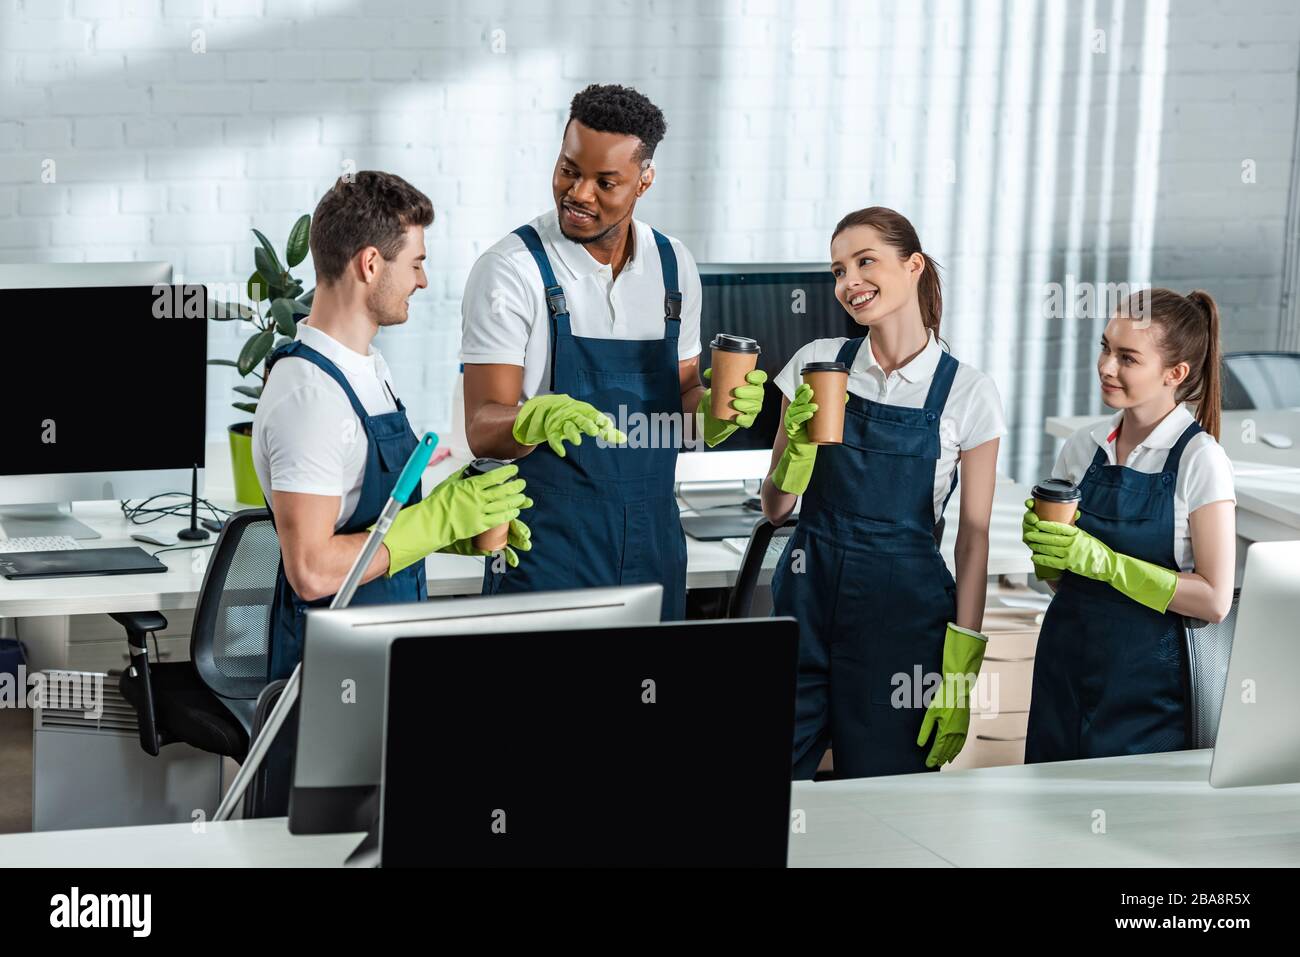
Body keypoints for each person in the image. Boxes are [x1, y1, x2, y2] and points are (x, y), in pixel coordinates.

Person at [459, 84, 765, 621]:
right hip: (546, 547)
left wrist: (718, 414)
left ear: (644, 180)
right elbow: (483, 426)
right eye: (567, 170)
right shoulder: (511, 269)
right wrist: (538, 419)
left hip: (654, 546)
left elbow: (684, 401)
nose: (578, 193)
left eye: (605, 182)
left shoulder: (673, 267)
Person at [254, 171, 532, 683]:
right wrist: (434, 523)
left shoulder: (368, 369)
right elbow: (312, 570)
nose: (422, 281)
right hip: (330, 673)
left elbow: (371, 522)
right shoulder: (310, 396)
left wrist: (449, 530)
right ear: (371, 263)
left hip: (382, 647)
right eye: (417, 263)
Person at [762, 207, 1005, 779]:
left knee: (889, 802)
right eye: (838, 270)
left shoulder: (968, 393)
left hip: (901, 625)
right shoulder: (817, 366)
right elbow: (775, 508)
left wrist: (961, 669)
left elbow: (972, 538)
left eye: (864, 261)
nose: (849, 282)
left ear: (913, 264)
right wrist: (796, 450)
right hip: (805, 605)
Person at [1023, 288, 1236, 762]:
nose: (1106, 366)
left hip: (1146, 686)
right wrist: (1048, 553)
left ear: (1174, 373)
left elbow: (1215, 599)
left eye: (1127, 358)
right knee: (1045, 817)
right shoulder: (1083, 446)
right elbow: (1060, 582)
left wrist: (1107, 564)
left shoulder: (1200, 460)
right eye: (1105, 347)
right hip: (1065, 664)